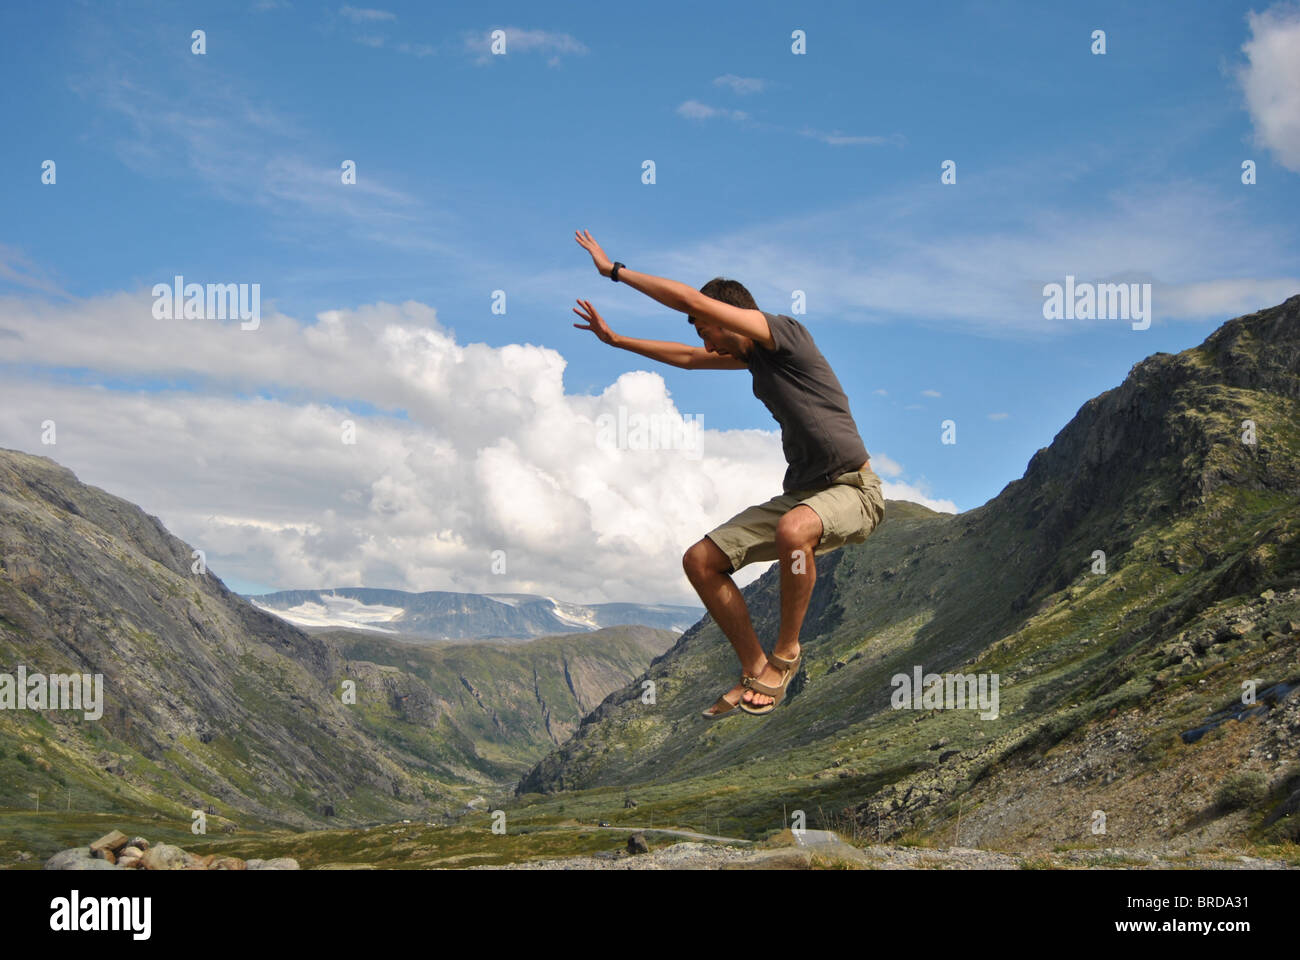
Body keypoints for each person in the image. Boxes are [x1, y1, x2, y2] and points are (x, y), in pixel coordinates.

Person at [572, 229, 885, 716]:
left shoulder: (786, 334)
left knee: (792, 529)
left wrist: (614, 271)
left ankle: (786, 656)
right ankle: (753, 666)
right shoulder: (752, 360)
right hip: (805, 493)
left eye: (705, 327)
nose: (704, 339)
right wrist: (616, 341)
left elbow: (688, 300)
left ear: (726, 315)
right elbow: (686, 359)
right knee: (700, 560)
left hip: (853, 490)